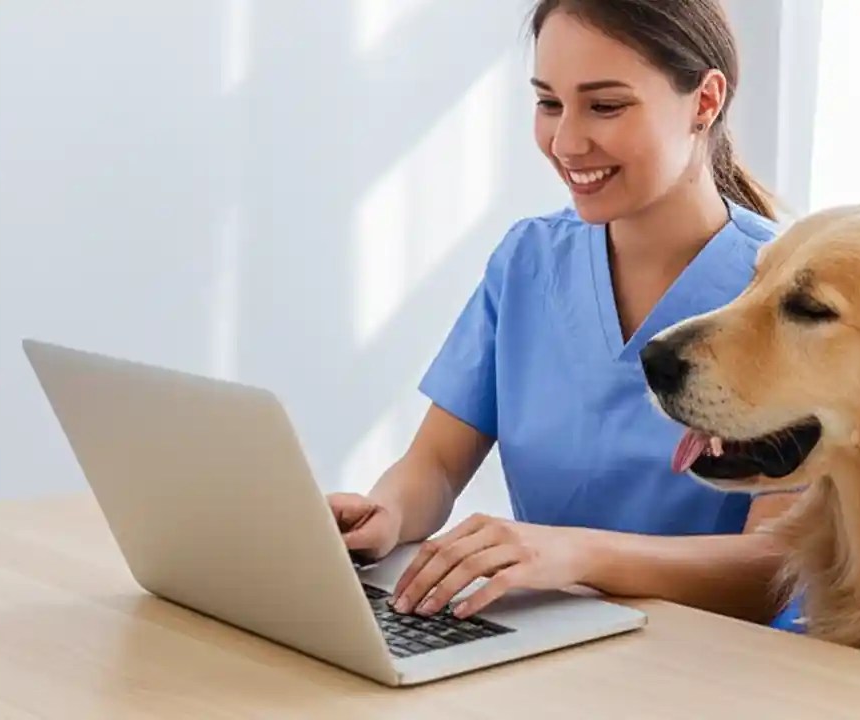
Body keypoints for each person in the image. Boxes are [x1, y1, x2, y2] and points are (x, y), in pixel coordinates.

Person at [327, 0, 803, 631]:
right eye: (549, 103)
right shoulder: (529, 260)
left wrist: (573, 553)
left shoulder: (790, 293)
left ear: (705, 102)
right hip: (547, 647)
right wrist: (385, 512)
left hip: (714, 667)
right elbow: (435, 465)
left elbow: (769, 571)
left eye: (605, 106)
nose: (566, 141)